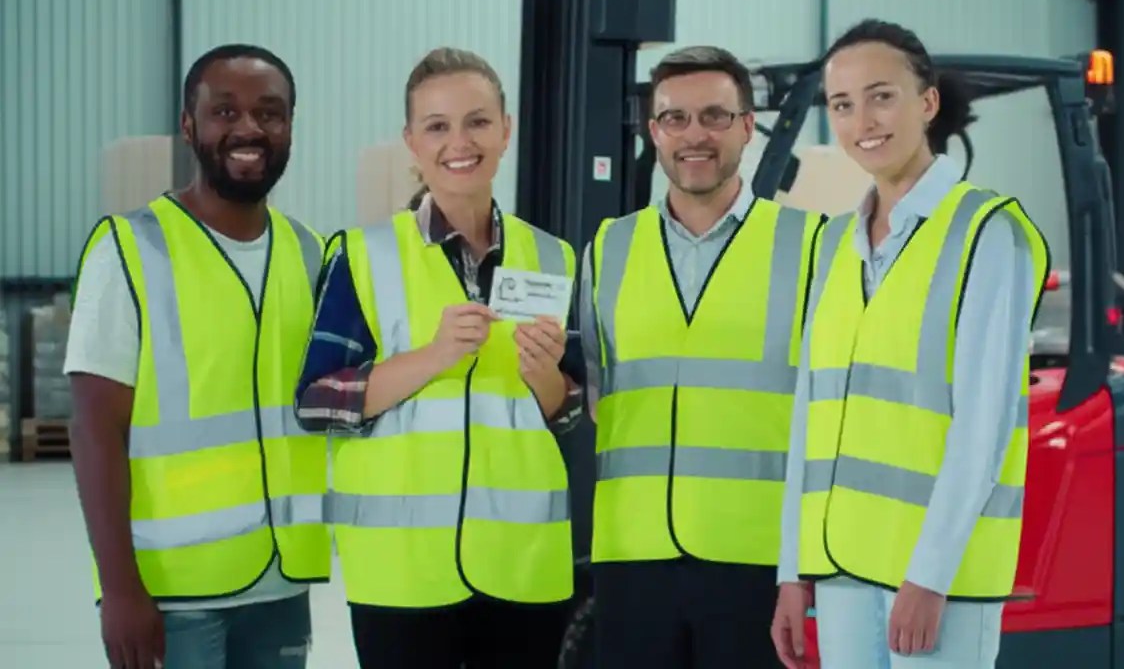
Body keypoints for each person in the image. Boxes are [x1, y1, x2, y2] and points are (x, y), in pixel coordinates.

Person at [770, 18, 1049, 669]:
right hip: (842, 566)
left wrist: (930, 575)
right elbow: (809, 419)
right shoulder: (836, 243)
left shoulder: (984, 233)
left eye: (881, 95)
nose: (861, 119)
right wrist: (793, 568)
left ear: (927, 103)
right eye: (842, 104)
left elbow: (983, 425)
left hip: (934, 577)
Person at [294, 46, 582, 668]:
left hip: (523, 564)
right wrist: (433, 355)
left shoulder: (555, 257)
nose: (460, 141)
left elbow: (571, 412)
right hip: (403, 575)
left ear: (506, 130)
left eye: (478, 121)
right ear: (412, 142)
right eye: (437, 126)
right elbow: (316, 401)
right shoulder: (362, 255)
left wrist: (546, 381)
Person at [64, 43, 329, 669]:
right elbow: (94, 429)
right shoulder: (130, 248)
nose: (249, 129)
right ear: (190, 126)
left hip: (283, 579)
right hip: (174, 594)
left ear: (290, 126)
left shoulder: (311, 252)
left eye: (270, 113)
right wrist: (119, 589)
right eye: (225, 111)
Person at [578, 45, 825, 669]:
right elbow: (594, 392)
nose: (694, 135)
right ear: (651, 130)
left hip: (757, 558)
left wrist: (805, 564)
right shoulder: (608, 249)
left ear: (747, 127)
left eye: (715, 116)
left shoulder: (813, 247)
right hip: (632, 555)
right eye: (674, 118)